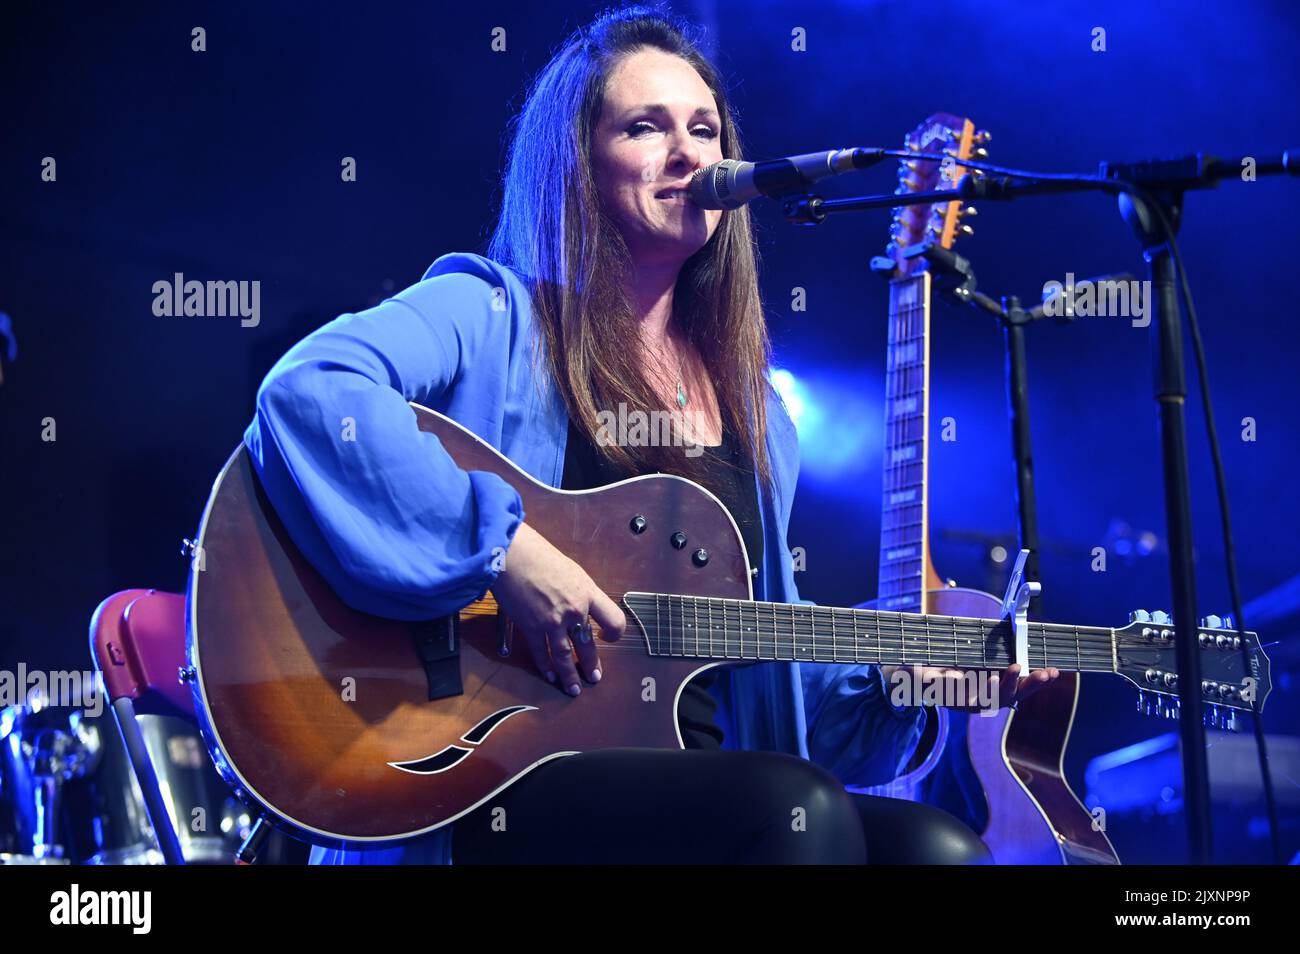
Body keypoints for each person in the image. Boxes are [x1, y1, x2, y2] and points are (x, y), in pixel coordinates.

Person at [245, 6, 1056, 865]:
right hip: (494, 781)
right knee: (798, 810)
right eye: (646, 127)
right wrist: (507, 552)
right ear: (577, 164)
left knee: (940, 848)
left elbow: (780, 705)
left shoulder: (759, 420)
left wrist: (905, 682)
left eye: (704, 129)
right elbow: (312, 390)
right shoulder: (492, 316)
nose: (690, 155)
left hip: (704, 790)